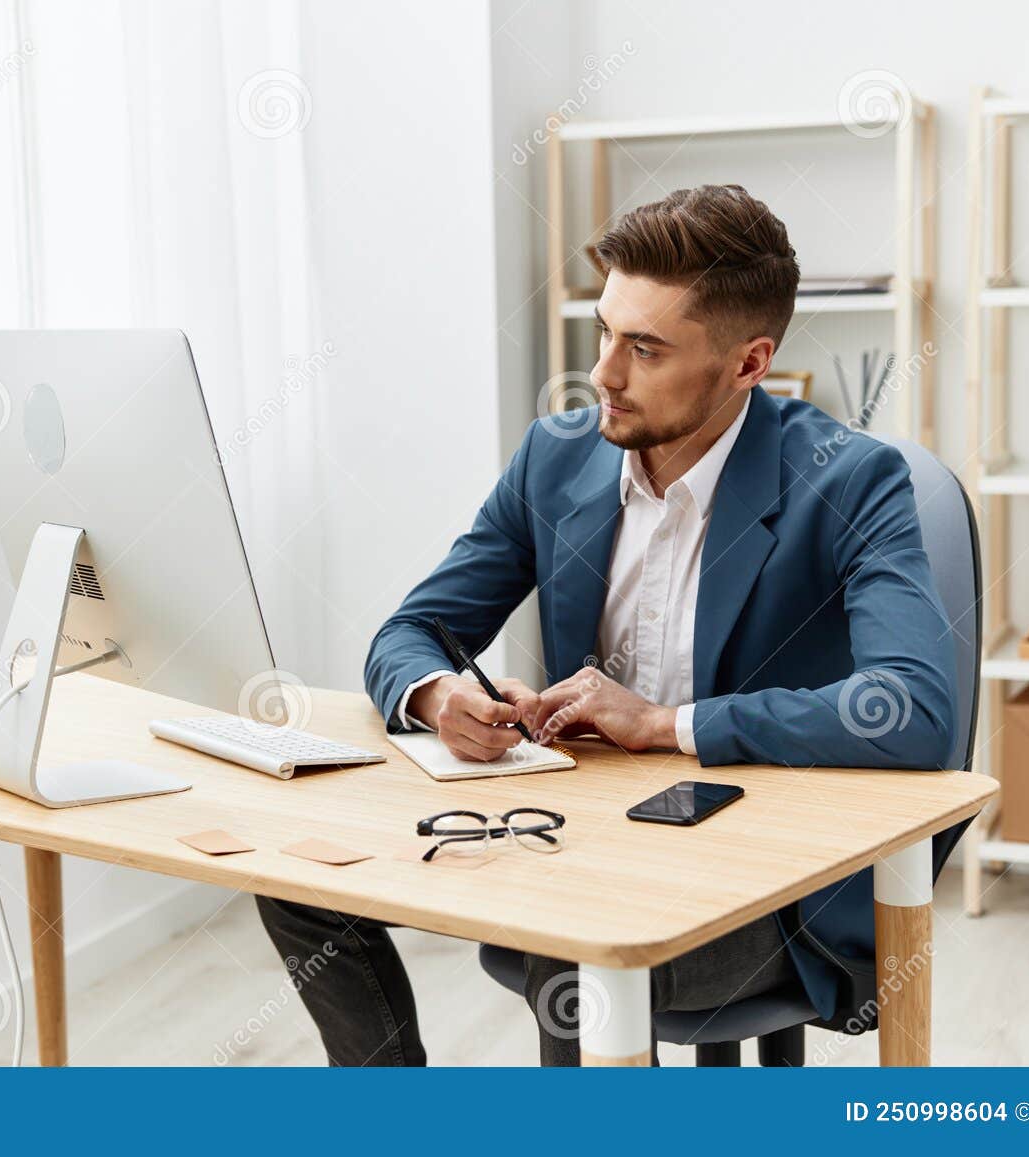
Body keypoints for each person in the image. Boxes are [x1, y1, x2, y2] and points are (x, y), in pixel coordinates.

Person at [257, 184, 957, 1066]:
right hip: (581, 837)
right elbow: (414, 630)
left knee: (573, 935)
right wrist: (439, 696)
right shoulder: (556, 458)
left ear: (749, 363)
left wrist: (665, 725)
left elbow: (911, 707)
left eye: (646, 348)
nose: (604, 373)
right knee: (297, 877)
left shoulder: (851, 478)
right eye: (604, 332)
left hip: (770, 888)